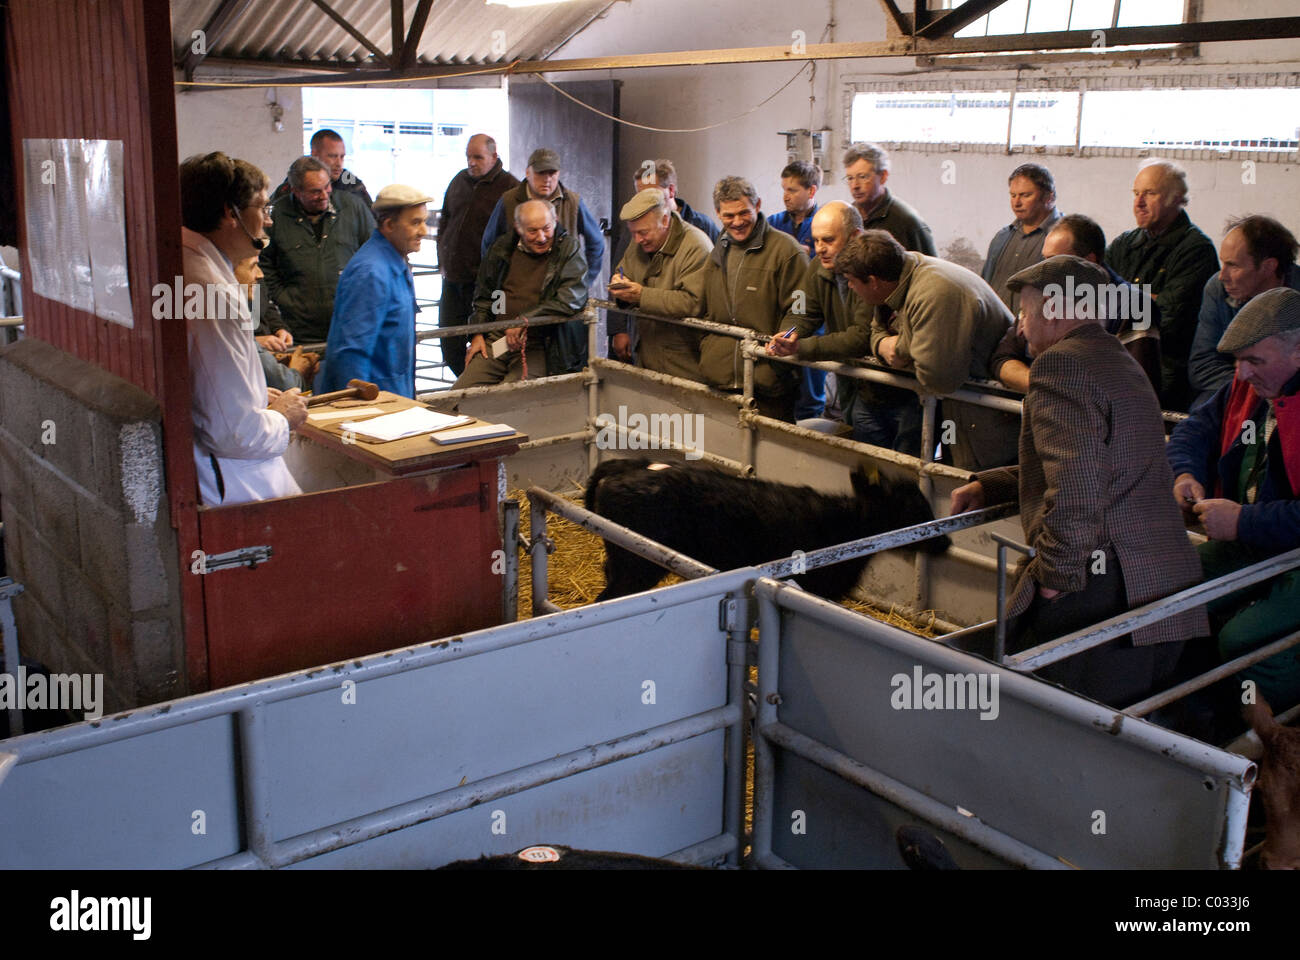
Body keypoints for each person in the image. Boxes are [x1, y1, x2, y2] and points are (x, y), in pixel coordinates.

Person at [951, 256, 1207, 706]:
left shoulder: (1060, 367)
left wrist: (1055, 577)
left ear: (1053, 308)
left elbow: (1079, 485)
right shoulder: (1120, 361)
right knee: (1132, 728)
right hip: (1163, 583)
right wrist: (989, 486)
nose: (1023, 330)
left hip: (1103, 587)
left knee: (1062, 723)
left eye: (1025, 315)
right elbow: (1104, 465)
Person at [1167, 287, 1300, 712]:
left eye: (1254, 361)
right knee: (1169, 589)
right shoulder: (1247, 389)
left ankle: (1269, 737)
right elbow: (1194, 429)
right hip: (1253, 540)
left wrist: (1244, 522)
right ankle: (1195, 711)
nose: (1240, 374)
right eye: (1237, 362)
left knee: (1246, 643)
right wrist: (1185, 472)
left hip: (1285, 547)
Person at [179, 151, 306, 506]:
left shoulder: (183, 263)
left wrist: (252, 392)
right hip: (233, 484)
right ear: (228, 213)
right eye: (262, 208)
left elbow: (204, 380)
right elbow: (236, 433)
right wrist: (283, 417)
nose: (267, 221)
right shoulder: (213, 294)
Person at [834, 230, 1014, 469]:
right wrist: (882, 344)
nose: (850, 286)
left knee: (976, 483)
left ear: (873, 282)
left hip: (989, 414)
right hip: (962, 405)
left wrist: (899, 348)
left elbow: (937, 378)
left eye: (852, 281)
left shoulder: (933, 293)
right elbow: (877, 329)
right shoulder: (900, 276)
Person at [992, 213, 1161, 393]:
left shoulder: (1134, 307)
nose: (1044, 268)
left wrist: (1062, 393)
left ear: (1089, 261)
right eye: (1044, 259)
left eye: (1055, 260)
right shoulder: (1040, 296)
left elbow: (1135, 386)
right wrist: (1046, 387)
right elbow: (1002, 359)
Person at [1105, 158, 1219, 411]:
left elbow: (1169, 319)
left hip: (1165, 380)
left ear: (1176, 198)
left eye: (1150, 193)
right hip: (1116, 369)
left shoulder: (1196, 249)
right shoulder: (1124, 244)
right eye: (1136, 193)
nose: (1138, 202)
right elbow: (1095, 301)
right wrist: (1148, 299)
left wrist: (1123, 303)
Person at [697, 176, 808, 421]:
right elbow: (703, 302)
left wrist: (784, 346)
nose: (737, 222)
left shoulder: (786, 251)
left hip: (768, 384)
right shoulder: (719, 249)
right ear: (717, 213)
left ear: (757, 205)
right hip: (721, 379)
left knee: (770, 456)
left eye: (743, 213)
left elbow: (801, 309)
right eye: (728, 216)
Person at [453, 200, 588, 388]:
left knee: (509, 398)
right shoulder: (502, 249)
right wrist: (478, 333)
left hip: (540, 344)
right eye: (532, 231)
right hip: (499, 340)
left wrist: (525, 320)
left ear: (555, 221)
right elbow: (487, 296)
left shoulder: (568, 250)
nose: (541, 237)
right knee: (458, 395)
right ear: (518, 228)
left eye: (547, 228)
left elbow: (570, 299)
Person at [766, 201, 873, 432]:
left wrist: (801, 348)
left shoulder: (873, 272)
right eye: (816, 240)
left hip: (890, 386)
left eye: (828, 240)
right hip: (852, 381)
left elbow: (861, 336)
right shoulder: (818, 267)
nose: (820, 248)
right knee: (864, 455)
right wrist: (789, 333)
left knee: (901, 458)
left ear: (855, 236)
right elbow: (802, 310)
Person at [317, 184, 431, 397]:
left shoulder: (395, 263)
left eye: (424, 221)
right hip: (374, 409)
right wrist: (359, 413)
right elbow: (351, 352)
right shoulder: (371, 272)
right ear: (388, 225)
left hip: (394, 402)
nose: (423, 231)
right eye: (415, 223)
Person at [1188, 215, 1300, 408]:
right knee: (1202, 411)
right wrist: (1250, 387)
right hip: (1234, 389)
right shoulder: (1217, 288)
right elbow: (1202, 365)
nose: (1222, 276)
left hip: (1290, 394)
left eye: (1233, 266)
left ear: (1268, 267)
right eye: (1223, 263)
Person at [260, 155, 373, 345]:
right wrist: (285, 297)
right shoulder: (276, 217)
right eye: (315, 191)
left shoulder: (352, 208)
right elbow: (262, 266)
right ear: (296, 191)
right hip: (299, 331)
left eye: (327, 186)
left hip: (350, 326)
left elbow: (372, 253)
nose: (324, 195)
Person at [436, 133, 520, 378]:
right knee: (449, 342)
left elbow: (513, 239)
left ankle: (480, 389)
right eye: (468, 157)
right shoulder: (458, 181)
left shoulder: (510, 189)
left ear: (494, 157)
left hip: (488, 286)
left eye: (477, 157)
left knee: (489, 343)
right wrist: (442, 258)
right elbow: (445, 220)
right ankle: (468, 384)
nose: (471, 162)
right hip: (453, 280)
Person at [607, 188, 712, 381]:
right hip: (646, 354)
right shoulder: (639, 242)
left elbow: (693, 302)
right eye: (633, 233)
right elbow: (623, 270)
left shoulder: (697, 246)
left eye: (643, 232)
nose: (637, 239)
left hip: (684, 363)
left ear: (665, 220)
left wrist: (641, 296)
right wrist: (619, 283)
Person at [481, 148, 605, 295]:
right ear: (528, 172)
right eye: (540, 173)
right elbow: (489, 245)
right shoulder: (508, 201)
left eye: (552, 173)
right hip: (516, 289)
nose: (547, 179)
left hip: (559, 291)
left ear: (559, 173)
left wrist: (583, 282)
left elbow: (596, 242)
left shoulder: (573, 202)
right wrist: (496, 283)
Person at [768, 160, 826, 419]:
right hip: (779, 312)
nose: (785, 196)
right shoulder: (772, 223)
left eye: (792, 190)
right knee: (777, 382)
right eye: (783, 189)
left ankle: (808, 437)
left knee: (810, 390)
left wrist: (809, 253)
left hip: (815, 316)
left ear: (811, 191)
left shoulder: (825, 225)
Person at [980, 163, 1061, 313]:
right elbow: (985, 285)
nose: (1016, 203)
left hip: (1042, 332)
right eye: (1013, 195)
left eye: (1025, 195)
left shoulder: (1064, 238)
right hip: (999, 330)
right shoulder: (1002, 237)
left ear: (1048, 197)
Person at [234, 255, 317, 392]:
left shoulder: (250, 282)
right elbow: (286, 384)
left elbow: (263, 304)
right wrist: (297, 372)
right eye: (253, 266)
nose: (260, 274)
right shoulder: (221, 307)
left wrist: (279, 327)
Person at [841, 141, 935, 256]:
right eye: (850, 178)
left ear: (883, 177)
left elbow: (931, 268)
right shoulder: (848, 216)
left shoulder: (907, 222)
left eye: (862, 177)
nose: (855, 186)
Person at [271, 128, 373, 208]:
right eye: (332, 156)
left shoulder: (353, 185)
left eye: (342, 157)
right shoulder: (295, 182)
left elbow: (371, 221)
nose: (339, 163)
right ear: (314, 155)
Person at [632, 159, 720, 243]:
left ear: (671, 190)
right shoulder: (636, 227)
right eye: (640, 195)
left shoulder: (703, 226)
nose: (643, 201)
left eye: (650, 194)